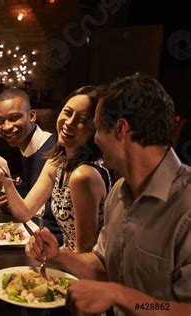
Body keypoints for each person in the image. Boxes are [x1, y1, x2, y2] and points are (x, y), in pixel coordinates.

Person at [26, 74, 191, 315]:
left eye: (98, 127)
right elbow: (101, 264)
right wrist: (57, 256)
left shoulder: (185, 203)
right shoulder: (119, 192)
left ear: (121, 130)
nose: (95, 139)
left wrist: (120, 295)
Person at [0, 86, 111, 252]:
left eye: (82, 119)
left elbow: (85, 252)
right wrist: (4, 176)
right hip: (66, 256)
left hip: (82, 268)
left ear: (95, 127)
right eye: (68, 112)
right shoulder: (57, 160)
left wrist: (52, 257)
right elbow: (25, 212)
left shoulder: (84, 175)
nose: (69, 122)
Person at [0, 88, 62, 245]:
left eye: (14, 118)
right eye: (0, 121)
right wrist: (0, 184)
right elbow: (31, 186)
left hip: (53, 242)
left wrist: (20, 202)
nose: (6, 126)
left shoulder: (52, 150)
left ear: (32, 116)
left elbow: (62, 207)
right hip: (32, 232)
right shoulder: (25, 145)